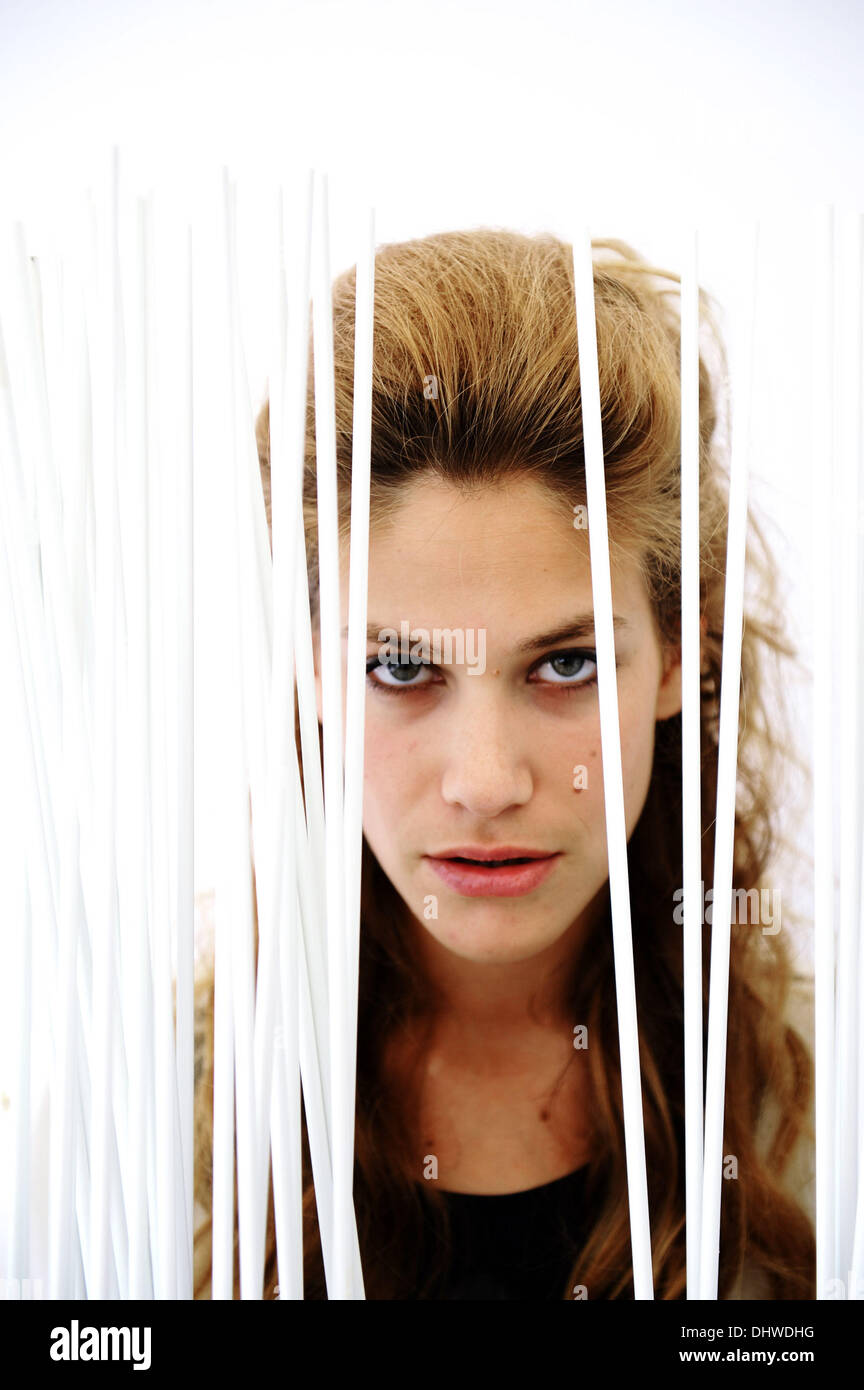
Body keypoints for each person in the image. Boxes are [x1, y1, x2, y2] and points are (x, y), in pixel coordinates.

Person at [192, 228, 815, 1299]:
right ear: (304, 669)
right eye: (398, 667)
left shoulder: (820, 1101)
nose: (485, 780)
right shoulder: (150, 1117)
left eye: (565, 662)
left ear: (682, 654)